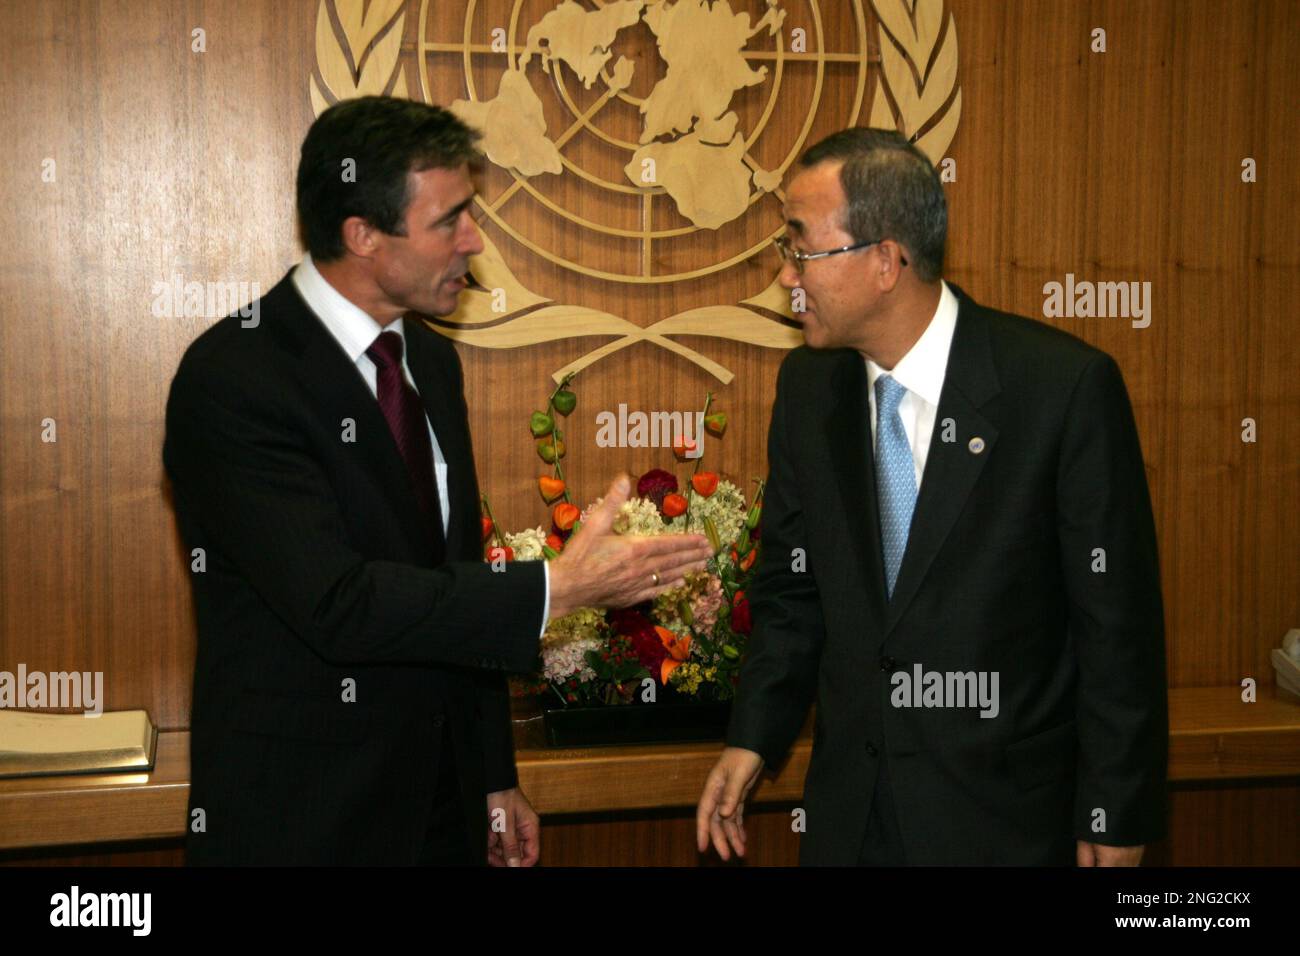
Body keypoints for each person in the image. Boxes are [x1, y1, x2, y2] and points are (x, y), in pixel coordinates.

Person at [164, 96, 711, 866]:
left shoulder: (429, 361)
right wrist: (557, 588)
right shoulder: (236, 378)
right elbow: (338, 604)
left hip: (443, 814)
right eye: (448, 219)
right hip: (305, 820)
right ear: (361, 235)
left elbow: (449, 579)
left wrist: (492, 775)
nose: (474, 239)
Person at [695, 128, 1167, 866]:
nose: (784, 273)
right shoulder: (809, 392)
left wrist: (1114, 814)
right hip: (852, 825)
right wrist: (752, 738)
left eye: (800, 247)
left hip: (1005, 825)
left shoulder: (1060, 391)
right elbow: (791, 593)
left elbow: (1117, 631)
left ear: (886, 260)